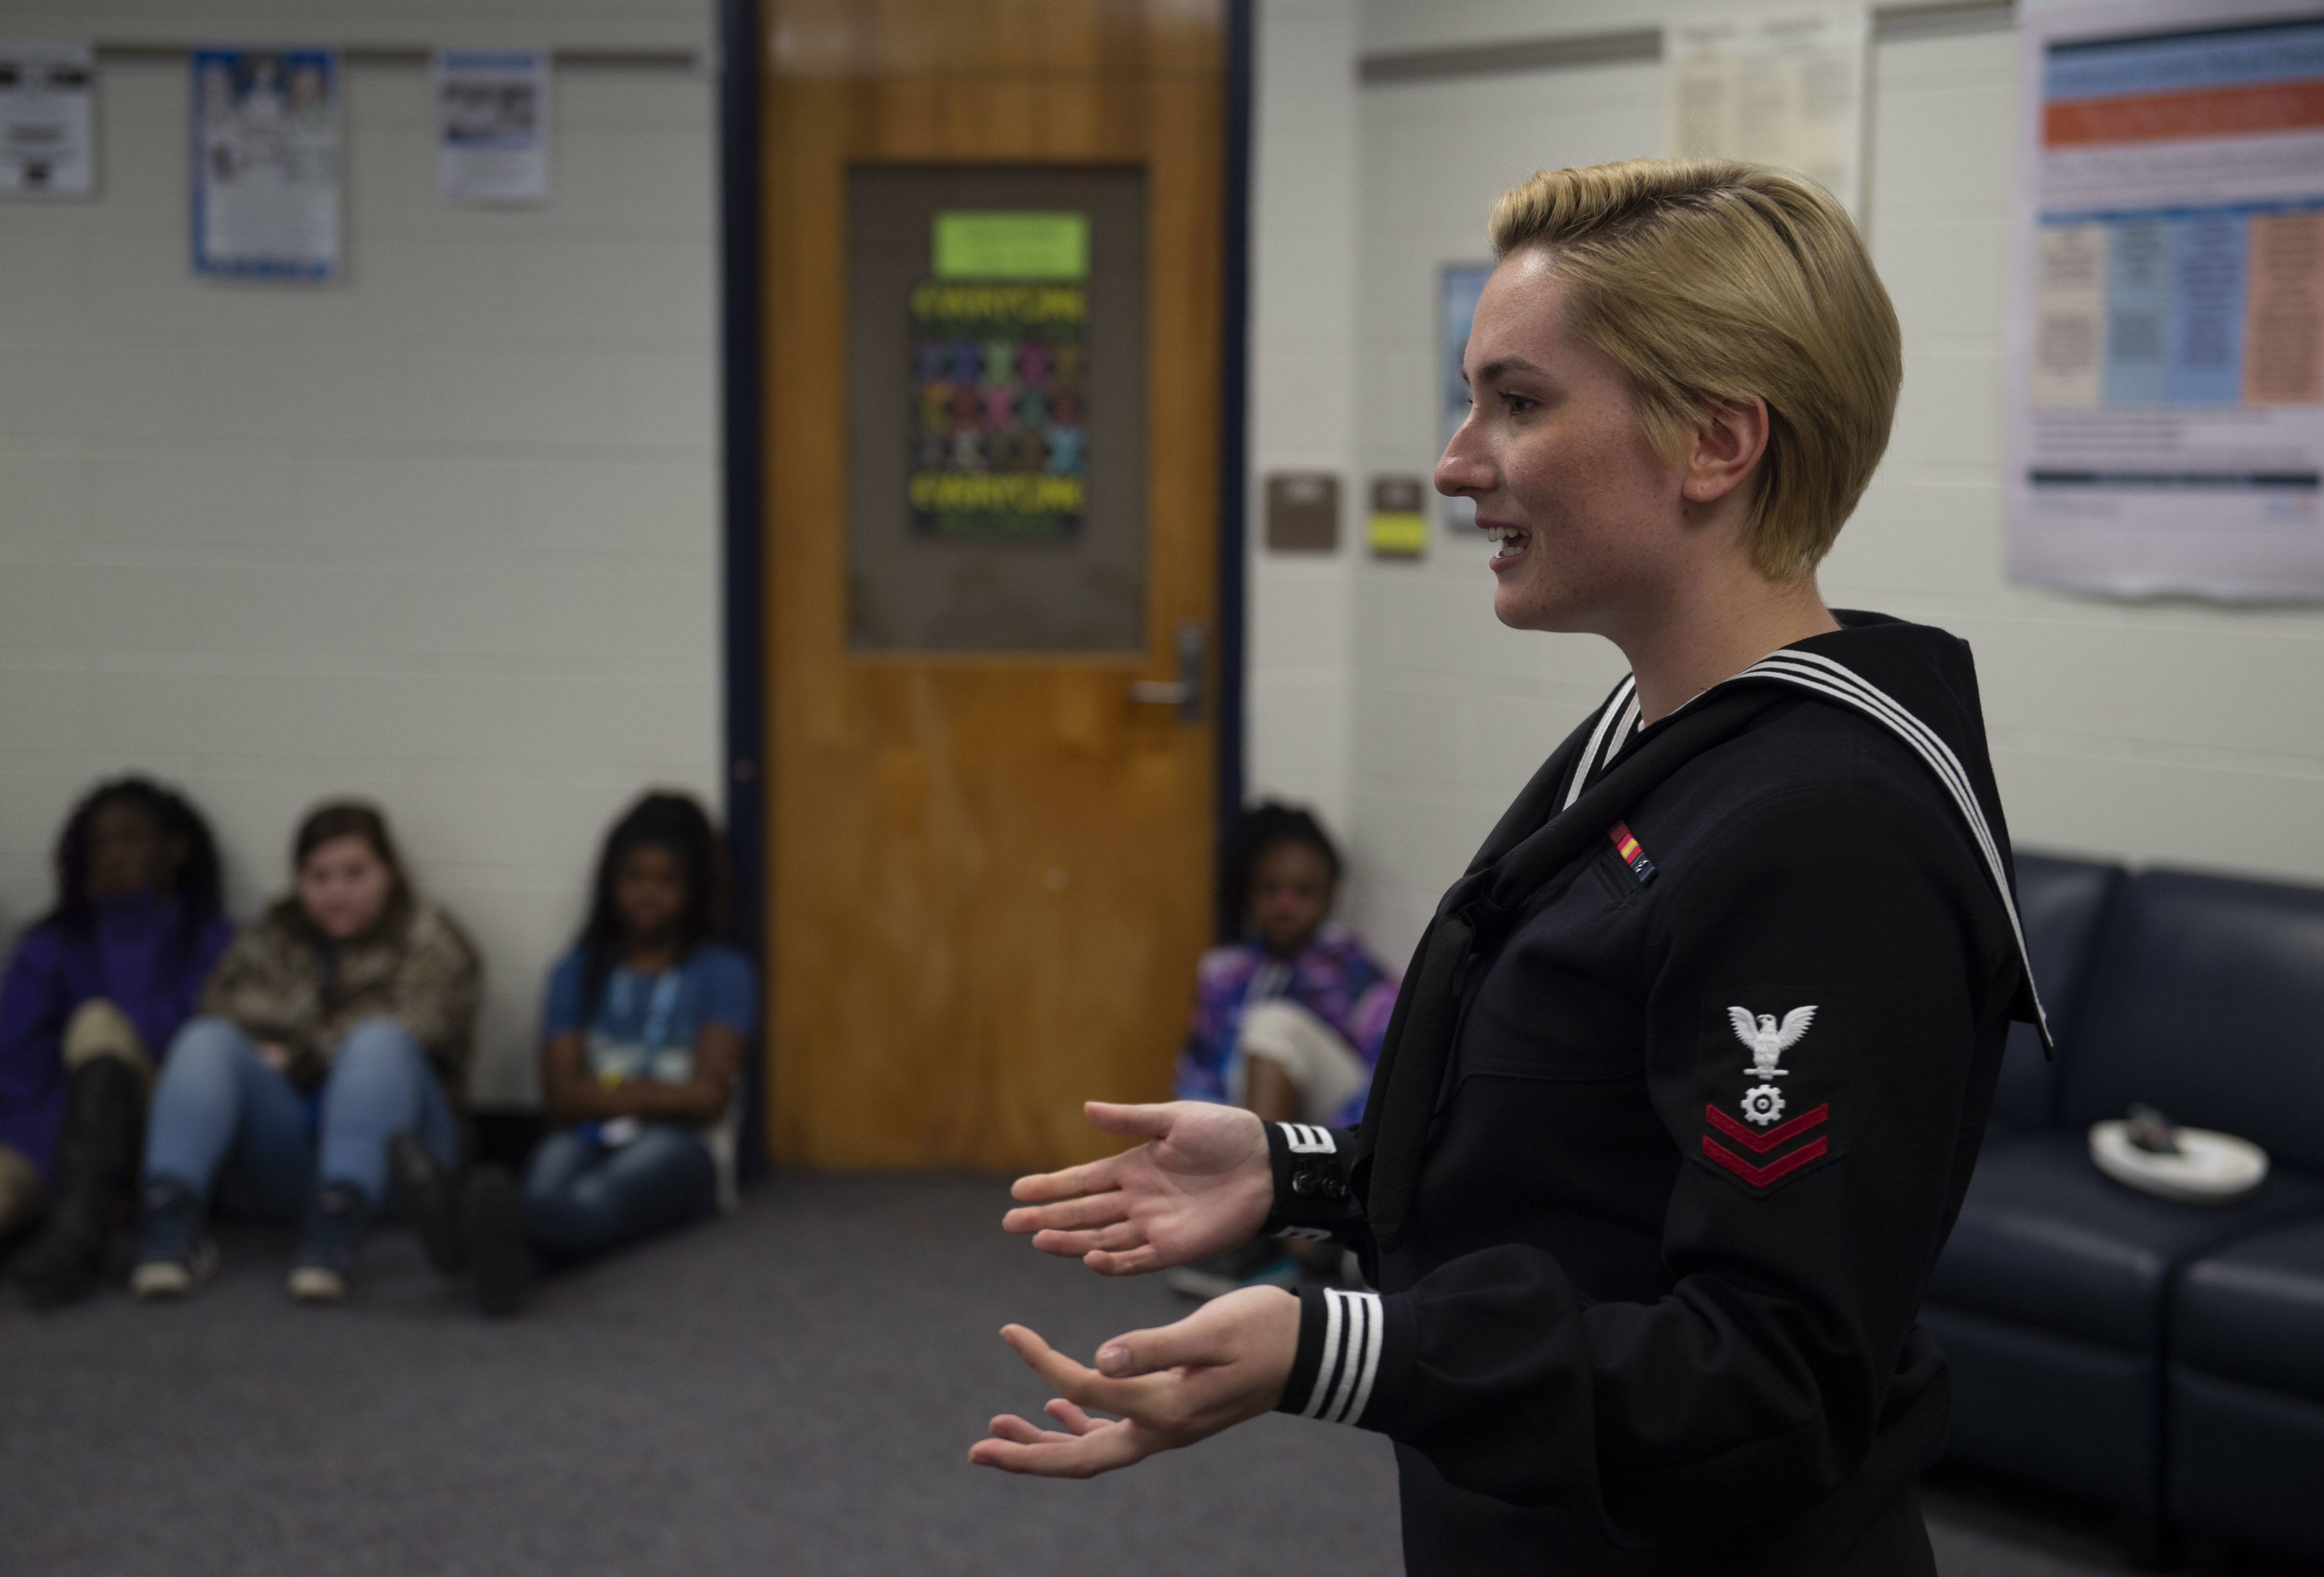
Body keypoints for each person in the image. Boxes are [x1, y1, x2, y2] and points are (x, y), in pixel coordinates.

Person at [970, 158, 2047, 1577]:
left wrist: (1339, 1345)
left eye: (1519, 402)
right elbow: (1584, 1160)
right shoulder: (1655, 736)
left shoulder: (1825, 833)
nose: (1455, 460)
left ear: (1716, 442)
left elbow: (1770, 1375)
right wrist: (1305, 1168)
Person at [409, 792, 752, 1318]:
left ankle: (458, 1230)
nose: (648, 893)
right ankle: (502, 1263)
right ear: (610, 881)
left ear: (697, 887)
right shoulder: (576, 969)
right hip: (586, 1132)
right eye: (633, 877)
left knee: (600, 1199)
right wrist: (663, 1093)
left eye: (667, 880)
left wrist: (605, 1090)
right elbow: (561, 1097)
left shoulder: (725, 972)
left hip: (685, 1146)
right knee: (550, 1180)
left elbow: (708, 1099)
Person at [131, 801, 481, 1305]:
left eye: (355, 873)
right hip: (290, 1150)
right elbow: (223, 1006)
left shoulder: (429, 938)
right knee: (204, 1041)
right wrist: (279, 1055)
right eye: (319, 877)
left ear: (389, 873)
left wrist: (298, 1058)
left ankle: (335, 1237)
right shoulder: (272, 936)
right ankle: (169, 1221)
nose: (337, 892)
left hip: (403, 1157)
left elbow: (423, 1022)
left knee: (377, 1044)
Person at [0, 779, 233, 1309]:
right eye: (98, 843)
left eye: (130, 838)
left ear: (175, 849)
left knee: (98, 1023)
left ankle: (79, 1232)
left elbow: (201, 1059)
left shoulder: (212, 942)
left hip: (162, 1133)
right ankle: (69, 1216)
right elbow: (13, 1072)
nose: (111, 855)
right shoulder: (47, 945)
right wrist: (67, 1170)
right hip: (58, 1138)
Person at [1167, 802, 1395, 1297]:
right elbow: (1199, 1075)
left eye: (1304, 892)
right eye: (1270, 890)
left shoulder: (1355, 974)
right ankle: (1274, 1236)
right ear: (1249, 894)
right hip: (1250, 1141)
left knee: (1272, 1027)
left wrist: (1327, 1169)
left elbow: (1390, 1083)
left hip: (1334, 1143)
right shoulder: (1224, 973)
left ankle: (1271, 1234)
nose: (1285, 905)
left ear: (1330, 897)